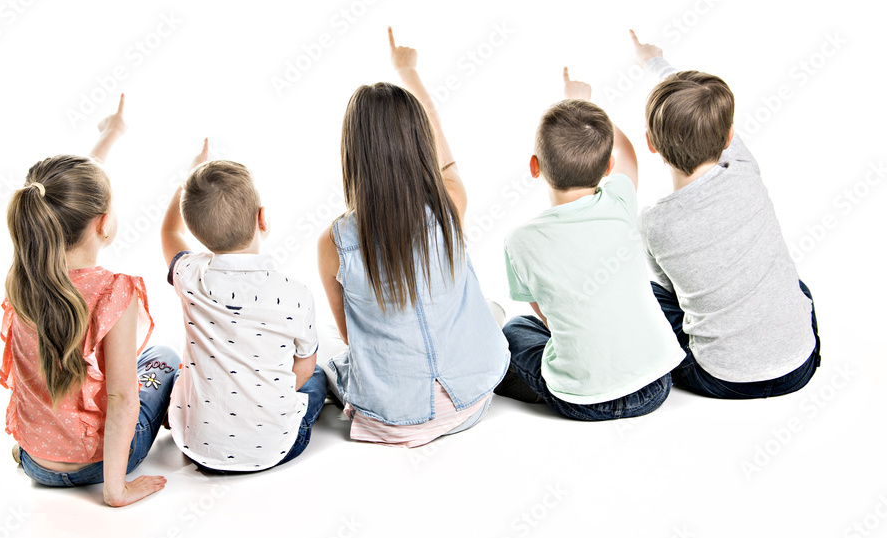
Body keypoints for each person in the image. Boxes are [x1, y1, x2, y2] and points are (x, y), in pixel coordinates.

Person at [316, 27, 510, 447]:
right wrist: (409, 73)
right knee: (490, 310)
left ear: (353, 154)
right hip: (473, 402)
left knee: (330, 358)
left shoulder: (334, 242)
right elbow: (448, 162)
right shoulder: (448, 206)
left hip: (392, 422)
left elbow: (353, 337)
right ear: (419, 142)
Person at [0, 95, 177, 506]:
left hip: (35, 462)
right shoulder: (114, 292)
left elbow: (63, 193)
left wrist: (109, 136)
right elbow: (121, 397)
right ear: (103, 224)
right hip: (96, 465)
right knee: (163, 357)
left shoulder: (21, 278)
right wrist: (115, 488)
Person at [631, 29, 820, 398]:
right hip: (801, 366)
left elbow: (672, 293)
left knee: (649, 293)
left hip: (720, 379)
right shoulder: (744, 166)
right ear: (730, 135)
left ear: (650, 143)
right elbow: (699, 105)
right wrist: (655, 62)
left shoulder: (654, 223)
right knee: (796, 287)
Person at [499, 68, 685, 419]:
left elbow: (548, 316)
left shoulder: (519, 240)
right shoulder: (619, 200)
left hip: (583, 401)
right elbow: (628, 156)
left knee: (515, 329)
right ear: (608, 166)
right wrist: (585, 102)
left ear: (534, 166)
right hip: (658, 383)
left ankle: (541, 384)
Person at [161, 139, 326, 472]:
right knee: (318, 377)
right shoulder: (295, 294)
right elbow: (304, 368)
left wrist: (187, 178)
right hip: (272, 449)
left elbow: (168, 230)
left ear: (196, 230)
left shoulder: (188, 274)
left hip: (195, 445)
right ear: (262, 218)